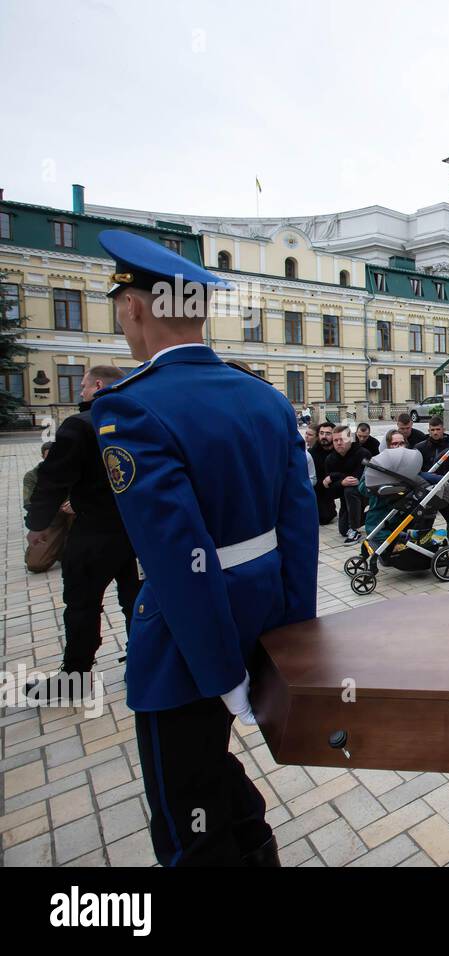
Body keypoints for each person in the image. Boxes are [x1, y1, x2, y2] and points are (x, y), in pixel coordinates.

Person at [89, 229, 317, 866]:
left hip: (189, 647)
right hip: (262, 622)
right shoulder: (266, 399)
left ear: (134, 307)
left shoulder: (129, 410)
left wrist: (222, 675)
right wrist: (295, 639)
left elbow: (178, 560)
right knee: (211, 776)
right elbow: (298, 532)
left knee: (182, 813)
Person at [24, 365, 141, 703]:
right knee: (137, 603)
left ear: (99, 385)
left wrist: (38, 525)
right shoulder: (140, 420)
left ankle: (76, 677)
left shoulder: (79, 425)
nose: (79, 392)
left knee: (82, 606)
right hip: (136, 534)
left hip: (93, 534)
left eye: (83, 385)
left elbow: (52, 479)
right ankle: (141, 668)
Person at [24, 441, 73, 573]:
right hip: (50, 518)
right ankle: (52, 547)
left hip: (74, 514)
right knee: (36, 564)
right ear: (42, 456)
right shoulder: (32, 476)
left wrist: (75, 503)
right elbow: (29, 504)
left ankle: (66, 547)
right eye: (48, 458)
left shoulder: (74, 471)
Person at [323, 425, 367, 543]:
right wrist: (341, 481)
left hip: (365, 492)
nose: (338, 443)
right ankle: (373, 517)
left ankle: (355, 530)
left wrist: (334, 477)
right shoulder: (330, 459)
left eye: (341, 439)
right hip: (345, 498)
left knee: (350, 489)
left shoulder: (362, 453)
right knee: (343, 530)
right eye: (335, 440)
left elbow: (356, 480)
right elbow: (330, 490)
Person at [310, 421, 336, 525]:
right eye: (321, 433)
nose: (324, 436)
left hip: (339, 484)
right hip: (320, 488)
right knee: (324, 518)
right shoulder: (312, 453)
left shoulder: (339, 449)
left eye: (328, 433)